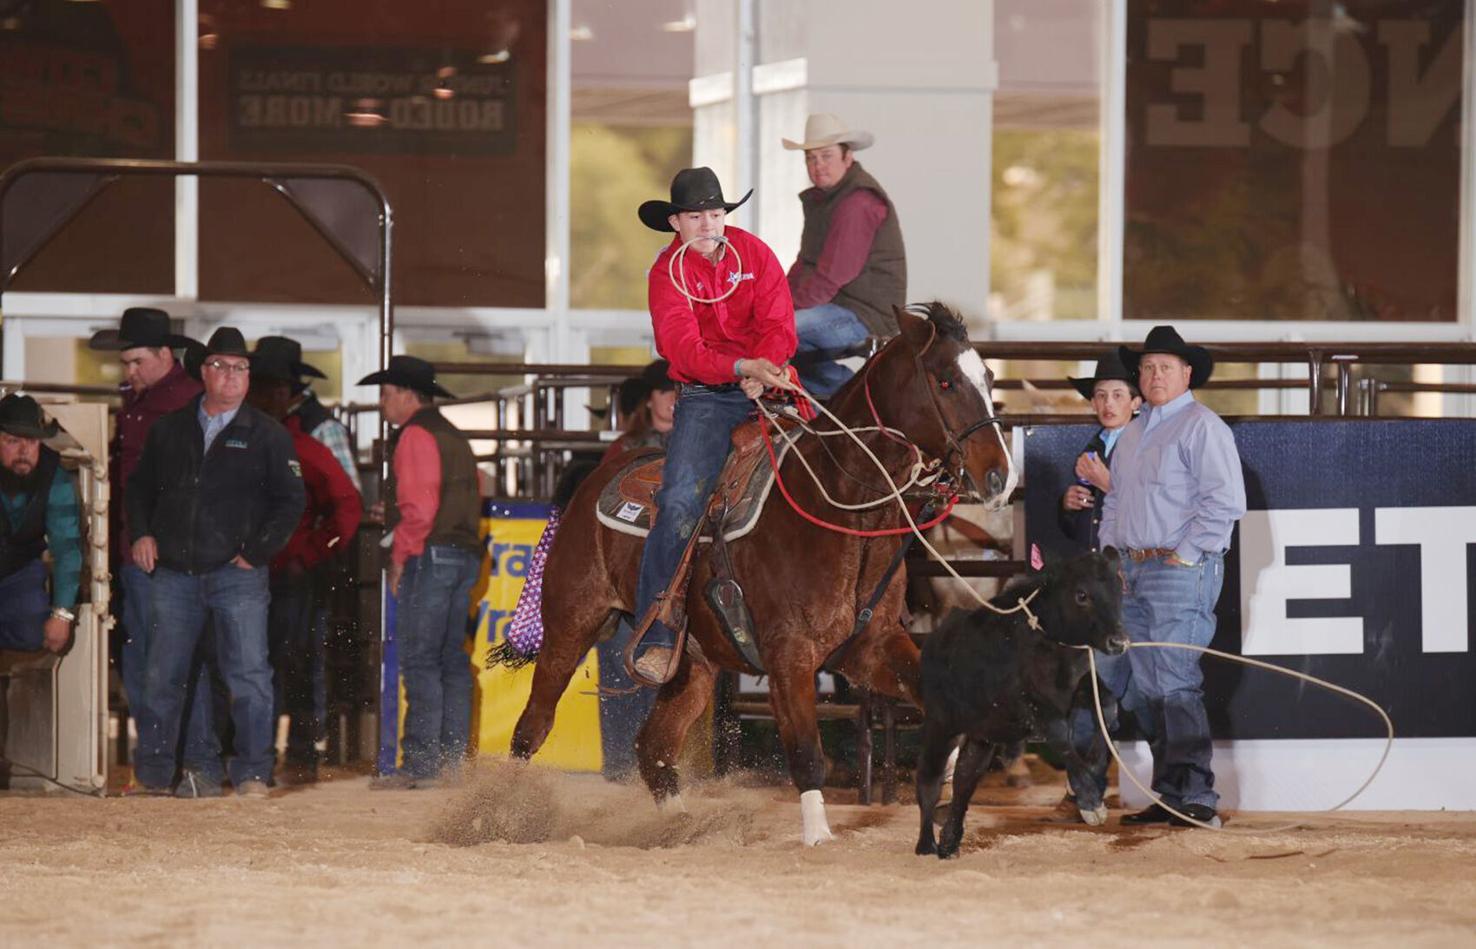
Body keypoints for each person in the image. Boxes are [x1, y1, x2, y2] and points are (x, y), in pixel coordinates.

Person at [631, 166, 796, 681]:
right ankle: (655, 627)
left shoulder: (756, 254)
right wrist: (738, 368)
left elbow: (779, 323)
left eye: (716, 213)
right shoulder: (666, 274)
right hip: (707, 397)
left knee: (831, 470)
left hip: (769, 382)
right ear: (676, 223)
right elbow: (681, 348)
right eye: (697, 215)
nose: (709, 223)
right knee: (680, 498)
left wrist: (764, 368)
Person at [127, 327, 306, 798]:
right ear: (203, 372)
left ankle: (252, 773)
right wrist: (142, 532)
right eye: (222, 366)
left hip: (236, 574)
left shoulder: (268, 435)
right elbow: (139, 488)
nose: (232, 376)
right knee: (163, 675)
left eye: (241, 368)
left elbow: (291, 501)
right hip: (174, 573)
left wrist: (257, 552)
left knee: (248, 675)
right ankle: (154, 775)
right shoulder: (168, 430)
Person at [1099, 325, 1246, 828]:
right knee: (1147, 683)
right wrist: (1113, 555)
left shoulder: (1203, 427)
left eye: (1165, 367)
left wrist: (1184, 555)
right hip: (1134, 569)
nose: (1155, 374)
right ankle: (1169, 794)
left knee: (1176, 680)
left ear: (1187, 374)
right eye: (1147, 367)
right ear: (1138, 376)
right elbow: (1116, 498)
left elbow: (1225, 502)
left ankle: (1197, 794)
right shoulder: (1136, 432)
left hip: (1178, 568)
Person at [86, 308, 211, 788]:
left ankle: (181, 765)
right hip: (135, 550)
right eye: (126, 363)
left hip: (159, 554)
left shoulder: (184, 403)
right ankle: (170, 766)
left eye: (137, 361)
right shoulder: (157, 400)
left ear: (165, 354)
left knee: (166, 662)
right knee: (149, 662)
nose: (129, 371)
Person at [358, 355, 481, 790]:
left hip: (430, 553)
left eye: (387, 394)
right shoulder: (451, 435)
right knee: (450, 659)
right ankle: (450, 763)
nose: (383, 403)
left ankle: (422, 765)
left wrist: (399, 557)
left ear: (408, 396)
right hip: (463, 552)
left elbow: (421, 510)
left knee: (421, 659)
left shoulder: (414, 435)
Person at [248, 347, 362, 785]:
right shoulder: (299, 443)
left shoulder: (302, 446)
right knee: (282, 661)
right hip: (276, 568)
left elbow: (346, 506)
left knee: (286, 661)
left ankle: (289, 753)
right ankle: (288, 753)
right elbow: (347, 505)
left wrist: (311, 553)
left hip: (286, 571)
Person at [1049, 351, 1144, 823]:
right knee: (1089, 688)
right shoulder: (1093, 449)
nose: (1107, 403)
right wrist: (1069, 505)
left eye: (1117, 395)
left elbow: (1148, 511)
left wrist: (1104, 485)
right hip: (1096, 590)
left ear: (1135, 402)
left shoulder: (1144, 446)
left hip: (1133, 585)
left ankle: (1091, 789)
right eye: (1100, 395)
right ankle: (1087, 788)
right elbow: (1078, 527)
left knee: (1109, 689)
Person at [783, 113, 906, 398]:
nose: (818, 165)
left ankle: (856, 398)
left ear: (847, 157)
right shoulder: (827, 200)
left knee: (780, 332)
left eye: (826, 156)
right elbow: (804, 264)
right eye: (811, 158)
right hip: (839, 307)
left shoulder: (857, 202)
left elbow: (831, 275)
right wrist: (775, 302)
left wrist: (781, 312)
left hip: (865, 315)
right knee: (776, 337)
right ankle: (839, 405)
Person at [0, 395, 81, 655]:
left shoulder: (53, 476)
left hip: (19, 570)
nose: (24, 451)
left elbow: (67, 546)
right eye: (13, 441)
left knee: (34, 631)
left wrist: (62, 614)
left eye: (32, 441)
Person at [254, 335, 363, 493]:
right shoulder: (264, 425)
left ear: (281, 391)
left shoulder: (324, 428)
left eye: (259, 389)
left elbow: (349, 493)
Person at [601, 359, 676, 463]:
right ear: (649, 400)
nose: (673, 397)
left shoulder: (699, 442)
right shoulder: (625, 446)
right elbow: (607, 477)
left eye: (679, 391)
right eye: (664, 392)